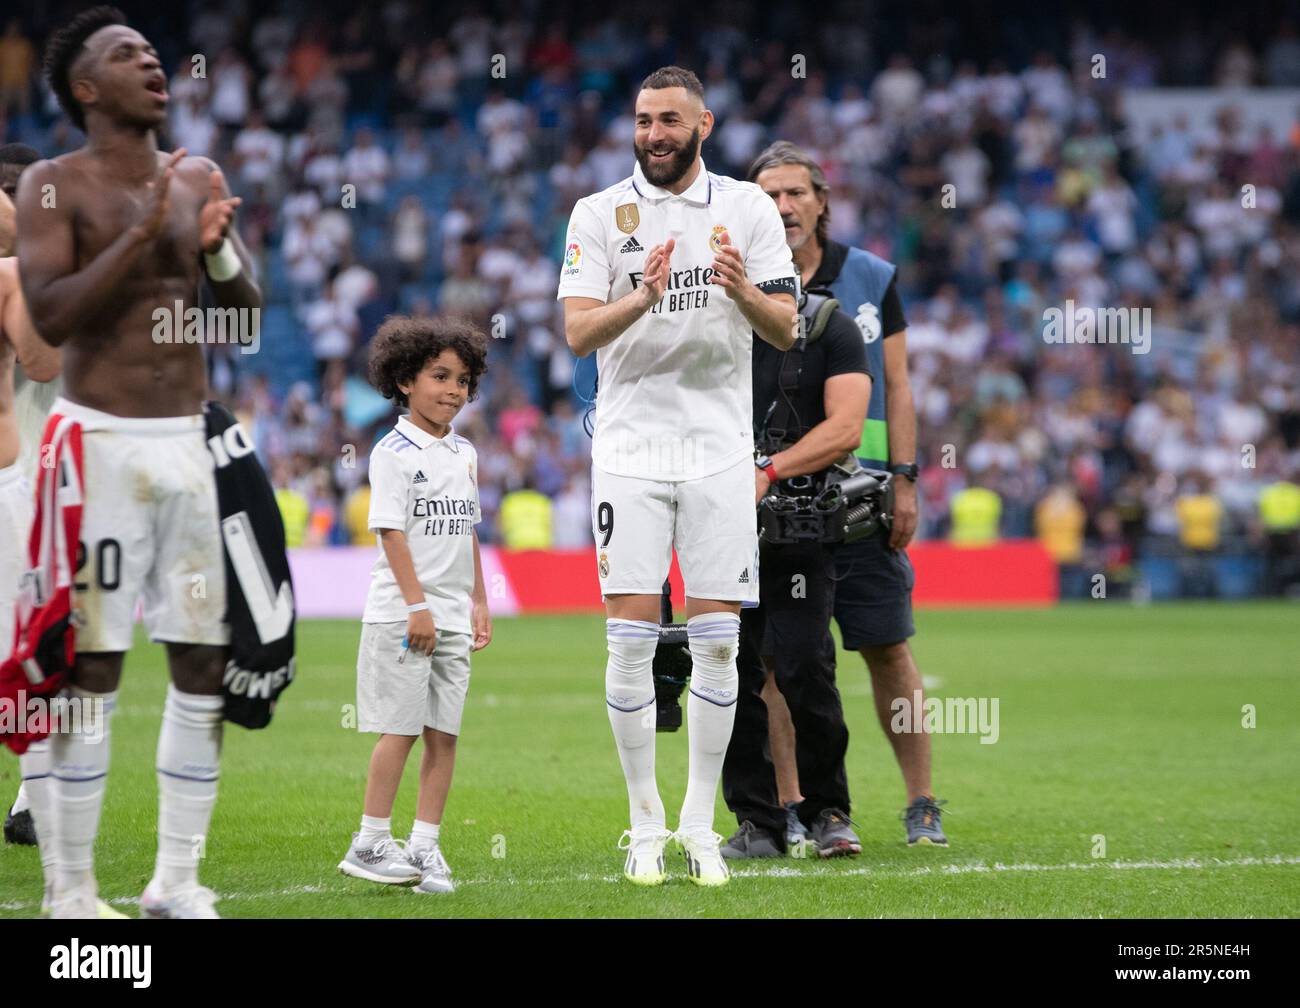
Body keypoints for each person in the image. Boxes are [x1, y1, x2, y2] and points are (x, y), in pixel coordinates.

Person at [15, 6, 262, 917]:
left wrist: (217, 250)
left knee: (201, 660)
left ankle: (176, 881)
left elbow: (247, 315)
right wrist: (140, 231)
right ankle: (70, 890)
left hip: (186, 444)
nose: (152, 63)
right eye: (127, 57)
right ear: (87, 89)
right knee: (91, 668)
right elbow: (50, 318)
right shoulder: (53, 183)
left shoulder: (198, 175)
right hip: (100, 446)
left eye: (154, 53)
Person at [558, 66, 797, 886]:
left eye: (668, 119)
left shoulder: (748, 208)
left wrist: (738, 289)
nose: (653, 133)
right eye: (642, 119)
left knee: (720, 643)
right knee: (629, 642)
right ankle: (644, 823)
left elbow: (787, 326)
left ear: (703, 123)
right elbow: (578, 334)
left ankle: (699, 823)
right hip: (628, 447)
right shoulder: (598, 214)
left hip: (720, 450)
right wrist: (644, 297)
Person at [749, 141, 948, 848]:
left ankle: (922, 802)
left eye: (795, 193)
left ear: (821, 201)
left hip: (861, 500)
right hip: (769, 506)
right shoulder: (739, 283)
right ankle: (802, 807)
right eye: (769, 195)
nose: (783, 207)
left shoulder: (868, 275)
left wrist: (905, 479)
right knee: (775, 662)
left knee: (887, 648)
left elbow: (897, 385)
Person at [337, 316, 492, 896]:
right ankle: (371, 839)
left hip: (452, 615)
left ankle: (425, 847)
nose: (454, 390)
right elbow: (391, 533)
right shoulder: (392, 451)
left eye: (464, 380)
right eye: (440, 376)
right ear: (404, 380)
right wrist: (417, 607)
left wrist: (479, 599)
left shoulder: (466, 453)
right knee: (398, 730)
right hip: (405, 616)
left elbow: (469, 529)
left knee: (443, 735)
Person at [720, 287, 872, 860]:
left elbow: (847, 427)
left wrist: (769, 470)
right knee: (728, 666)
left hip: (803, 519)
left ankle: (828, 810)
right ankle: (757, 820)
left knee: (807, 665)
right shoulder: (711, 315)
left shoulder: (832, 325)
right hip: (721, 518)